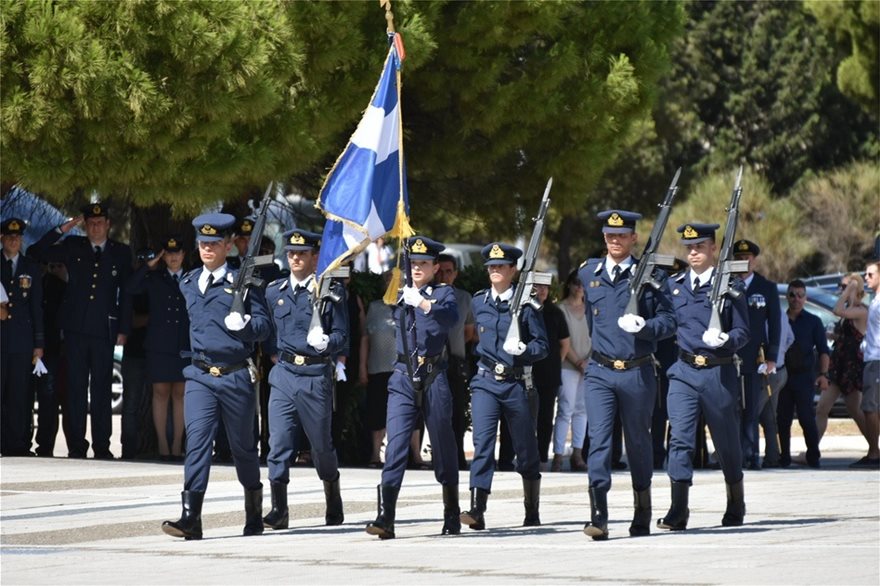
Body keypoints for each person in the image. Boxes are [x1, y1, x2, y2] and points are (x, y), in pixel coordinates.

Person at [162, 213, 271, 540]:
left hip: (235, 376)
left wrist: (246, 325)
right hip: (199, 375)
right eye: (203, 243)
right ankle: (190, 517)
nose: (207, 248)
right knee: (196, 441)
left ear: (227, 245)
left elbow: (265, 328)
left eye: (214, 243)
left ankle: (254, 508)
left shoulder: (244, 282)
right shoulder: (188, 282)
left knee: (243, 449)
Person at [578, 210, 675, 540]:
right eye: (609, 235)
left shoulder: (651, 276)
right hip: (600, 371)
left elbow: (669, 321)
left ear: (634, 238)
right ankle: (598, 515)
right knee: (600, 442)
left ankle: (642, 511)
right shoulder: (589, 273)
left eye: (621, 235)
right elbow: (593, 324)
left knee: (638, 443)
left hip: (636, 372)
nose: (614, 240)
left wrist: (646, 328)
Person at [366, 236, 460, 539]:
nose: (418, 267)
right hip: (403, 375)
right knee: (395, 446)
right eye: (414, 263)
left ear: (435, 267)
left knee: (443, 444)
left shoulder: (444, 294)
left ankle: (451, 512)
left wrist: (423, 304)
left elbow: (449, 319)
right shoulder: (399, 292)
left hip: (434, 373)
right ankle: (386, 516)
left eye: (424, 263)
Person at [658, 223, 749, 531]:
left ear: (713, 248)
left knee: (726, 443)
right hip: (683, 371)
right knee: (679, 439)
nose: (693, 252)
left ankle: (736, 501)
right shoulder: (676, 285)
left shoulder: (731, 287)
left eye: (699, 246)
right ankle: (678, 509)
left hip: (717, 372)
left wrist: (726, 340)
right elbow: (667, 322)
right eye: (689, 247)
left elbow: (744, 331)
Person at [29, 203, 132, 459]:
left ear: (108, 224)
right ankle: (77, 445)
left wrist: (124, 328)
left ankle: (102, 446)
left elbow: (127, 294)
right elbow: (35, 252)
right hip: (75, 328)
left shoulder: (120, 252)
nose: (95, 227)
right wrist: (64, 227)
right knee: (75, 388)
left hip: (104, 330)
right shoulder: (73, 246)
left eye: (100, 222)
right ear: (85, 225)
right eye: (91, 223)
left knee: (101, 389)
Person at [261, 229, 348, 530]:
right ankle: (278, 509)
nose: (295, 258)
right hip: (284, 374)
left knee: (321, 446)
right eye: (291, 253)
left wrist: (328, 343)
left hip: (315, 375)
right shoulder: (275, 291)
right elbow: (268, 329)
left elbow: (341, 334)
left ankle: (332, 493)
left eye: (302, 253)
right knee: (279, 442)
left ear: (315, 257)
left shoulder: (331, 291)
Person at [459, 242, 548, 531]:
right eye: (491, 267)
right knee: (482, 444)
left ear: (513, 270)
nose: (495, 270)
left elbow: (542, 346)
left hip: (517, 383)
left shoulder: (527, 305)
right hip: (485, 382)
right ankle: (477, 508)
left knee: (525, 448)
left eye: (501, 266)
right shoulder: (479, 301)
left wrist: (523, 349)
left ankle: (531, 509)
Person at [126, 237, 190, 461]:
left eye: (177, 253)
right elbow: (130, 288)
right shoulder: (154, 278)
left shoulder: (192, 278)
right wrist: (149, 265)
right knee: (161, 394)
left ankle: (177, 444)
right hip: (159, 345)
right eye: (169, 253)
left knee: (180, 395)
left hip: (184, 344)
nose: (173, 257)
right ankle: (163, 444)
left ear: (183, 255)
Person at [732, 239, 781, 470]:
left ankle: (751, 455)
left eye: (747, 258)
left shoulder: (766, 287)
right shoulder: (727, 284)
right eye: (739, 258)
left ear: (754, 260)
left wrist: (772, 357)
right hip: (730, 355)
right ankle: (734, 455)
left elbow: (776, 325)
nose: (744, 262)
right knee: (731, 408)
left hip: (755, 356)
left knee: (751, 409)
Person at [1, 218, 44, 456]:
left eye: (17, 237)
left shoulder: (30, 267)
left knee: (19, 394)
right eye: (9, 237)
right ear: (2, 239)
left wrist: (39, 344)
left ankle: (16, 444)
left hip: (21, 340)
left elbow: (36, 307)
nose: (13, 240)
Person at [776, 280, 829, 468]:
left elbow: (823, 350)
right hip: (783, 377)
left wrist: (823, 374)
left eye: (800, 295)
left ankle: (813, 457)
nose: (796, 299)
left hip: (805, 377)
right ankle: (784, 458)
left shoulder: (814, 322)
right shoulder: (779, 320)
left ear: (805, 298)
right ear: (787, 297)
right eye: (792, 295)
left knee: (807, 418)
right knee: (782, 420)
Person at [815, 274, 868, 446]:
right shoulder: (849, 310)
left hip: (850, 366)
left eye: (843, 286)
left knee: (856, 410)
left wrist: (849, 291)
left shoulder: (860, 310)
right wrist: (834, 335)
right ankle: (812, 450)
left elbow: (836, 310)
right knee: (822, 408)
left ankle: (874, 448)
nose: (840, 290)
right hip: (838, 364)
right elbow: (847, 335)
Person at [437, 253, 476, 470]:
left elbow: (469, 332)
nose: (444, 275)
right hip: (432, 362)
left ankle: (457, 455)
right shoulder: (427, 294)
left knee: (457, 412)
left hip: (455, 362)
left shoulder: (464, 298)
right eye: (440, 271)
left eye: (448, 271)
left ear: (456, 274)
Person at [360, 270, 397, 467]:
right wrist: (362, 367)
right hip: (378, 367)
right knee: (377, 412)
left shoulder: (411, 305)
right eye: (390, 281)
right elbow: (365, 338)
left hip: (403, 369)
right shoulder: (375, 307)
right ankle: (375, 454)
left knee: (408, 413)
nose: (394, 284)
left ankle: (411, 455)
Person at [533, 278, 569, 469]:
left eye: (545, 287)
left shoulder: (555, 313)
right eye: (538, 287)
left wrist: (555, 363)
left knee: (546, 417)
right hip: (528, 372)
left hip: (549, 373)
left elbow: (564, 343)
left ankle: (541, 456)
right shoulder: (525, 310)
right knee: (527, 416)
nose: (542, 291)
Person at [553, 270, 586, 472]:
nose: (579, 287)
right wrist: (578, 362)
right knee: (565, 410)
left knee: (583, 411)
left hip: (589, 365)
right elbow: (562, 341)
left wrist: (588, 362)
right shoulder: (561, 309)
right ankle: (557, 456)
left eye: (582, 283)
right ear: (569, 284)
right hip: (568, 365)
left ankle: (578, 454)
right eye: (575, 282)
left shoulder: (591, 308)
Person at [852, 260, 879, 468]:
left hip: (877, 360)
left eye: (870, 275)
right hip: (871, 357)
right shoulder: (875, 300)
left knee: (870, 408)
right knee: (870, 407)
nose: (867, 278)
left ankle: (874, 453)